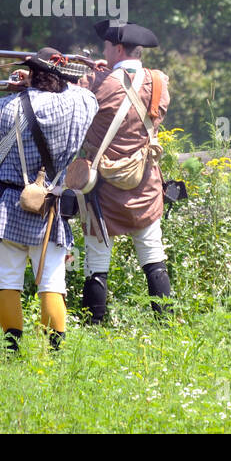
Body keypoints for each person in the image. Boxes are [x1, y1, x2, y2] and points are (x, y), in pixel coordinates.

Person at [0, 48, 97, 350]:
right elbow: (86, 96)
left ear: (32, 74)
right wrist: (37, 82)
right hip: (48, 207)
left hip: (4, 207)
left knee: (8, 283)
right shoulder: (75, 104)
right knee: (52, 283)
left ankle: (12, 350)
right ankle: (54, 353)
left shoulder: (2, 108)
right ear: (61, 77)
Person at [76, 19, 172, 324]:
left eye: (106, 46)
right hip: (144, 182)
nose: (103, 50)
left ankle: (94, 327)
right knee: (153, 255)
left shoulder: (94, 83)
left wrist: (96, 73)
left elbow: (75, 102)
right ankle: (166, 324)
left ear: (117, 48)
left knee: (97, 258)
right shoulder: (158, 82)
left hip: (102, 186)